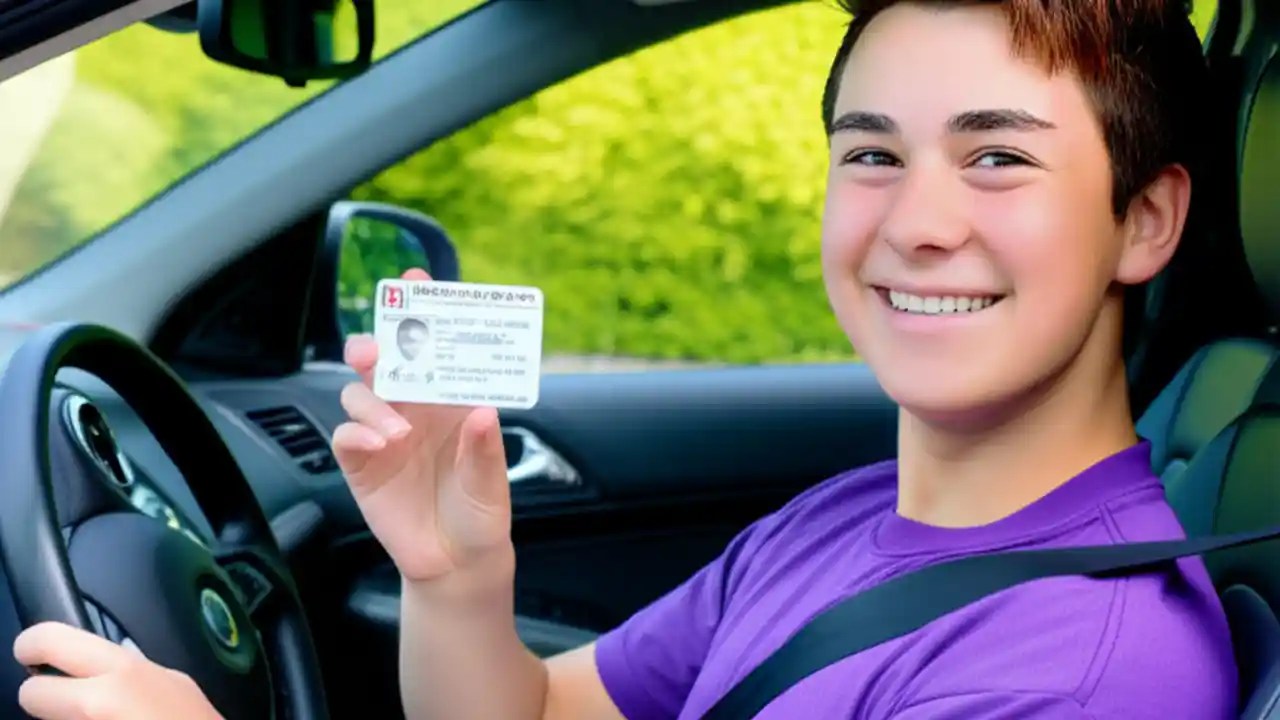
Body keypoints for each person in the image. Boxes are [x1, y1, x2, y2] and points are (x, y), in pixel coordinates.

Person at [9, 0, 1237, 717]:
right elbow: (545, 714)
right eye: (870, 154)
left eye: (997, 158)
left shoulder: (1080, 673)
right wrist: (454, 576)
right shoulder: (849, 516)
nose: (914, 223)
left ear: (1144, 220)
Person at [385, 316, 435, 384]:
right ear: (398, 341)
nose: (415, 347)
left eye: (421, 342)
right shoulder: (387, 370)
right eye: (410, 341)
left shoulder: (430, 373)